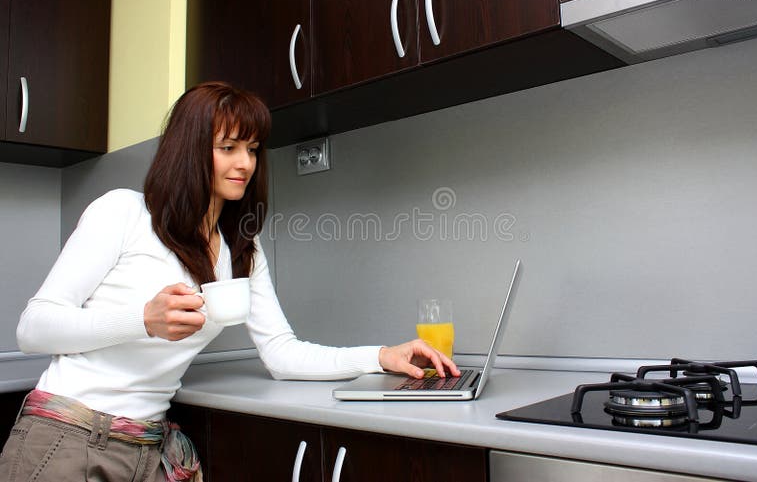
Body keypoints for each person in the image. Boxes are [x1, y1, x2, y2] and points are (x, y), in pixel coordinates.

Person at [0, 82, 459, 482]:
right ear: (189, 149)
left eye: (253, 149)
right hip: (67, 436)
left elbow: (281, 352)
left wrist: (380, 356)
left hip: (147, 449)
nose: (245, 163)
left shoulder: (243, 249)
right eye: (228, 147)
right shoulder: (123, 212)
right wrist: (143, 320)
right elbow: (33, 328)